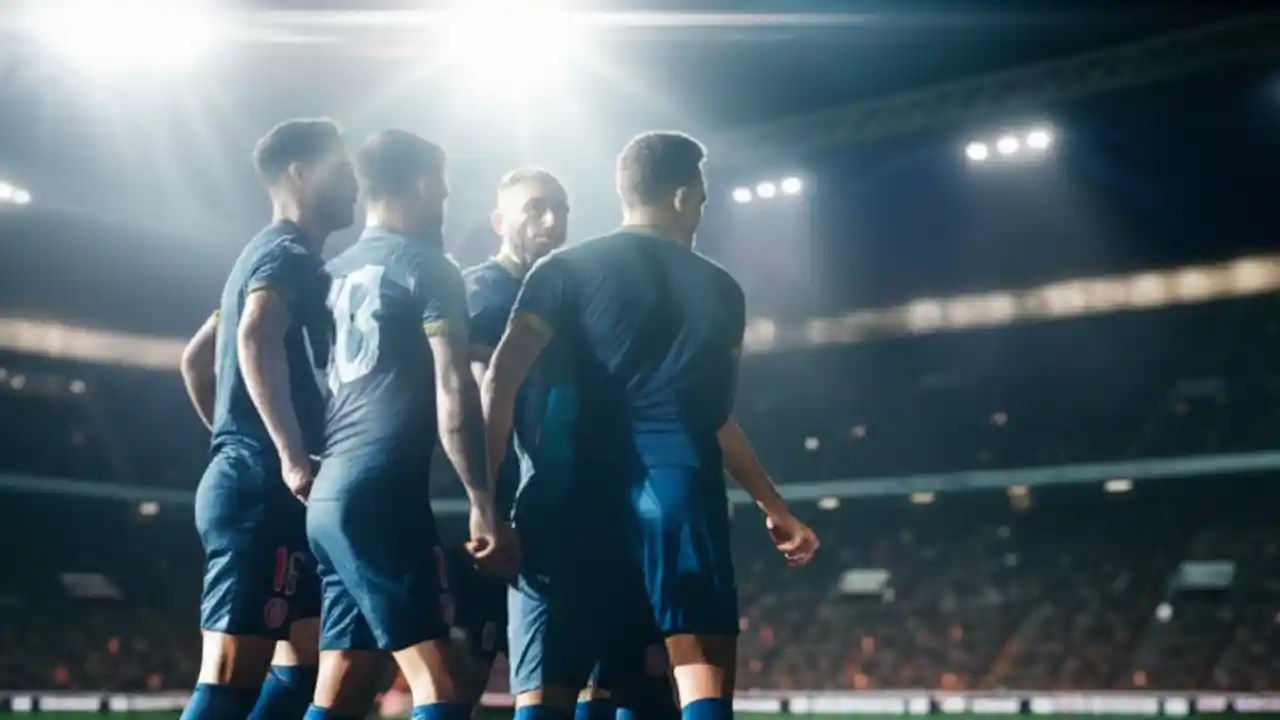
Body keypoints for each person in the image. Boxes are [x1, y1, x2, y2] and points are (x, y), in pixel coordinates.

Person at [481, 131, 819, 720]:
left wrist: (484, 500)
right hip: (677, 496)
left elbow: (499, 381)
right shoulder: (721, 290)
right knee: (697, 680)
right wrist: (774, 506)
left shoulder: (561, 271)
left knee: (550, 688)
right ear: (685, 196)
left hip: (566, 499)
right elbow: (713, 416)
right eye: (703, 199)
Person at [303, 129, 517, 720]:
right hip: (382, 495)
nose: (445, 206)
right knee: (441, 685)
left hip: (329, 496)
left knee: (344, 681)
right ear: (423, 186)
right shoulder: (429, 266)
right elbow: (454, 389)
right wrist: (482, 500)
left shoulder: (334, 270)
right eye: (444, 195)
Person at [461, 168, 678, 720]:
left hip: (593, 507)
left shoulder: (575, 292)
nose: (551, 221)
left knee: (618, 679)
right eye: (534, 208)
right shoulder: (486, 290)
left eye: (560, 208)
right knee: (473, 680)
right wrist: (484, 504)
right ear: (499, 219)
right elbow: (486, 386)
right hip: (518, 513)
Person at [178, 118, 357, 720]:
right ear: (301, 175)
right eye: (342, 169)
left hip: (259, 483)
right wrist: (281, 454)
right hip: (263, 488)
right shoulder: (287, 255)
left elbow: (197, 360)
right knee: (231, 672)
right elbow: (254, 335)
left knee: (304, 662)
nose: (355, 182)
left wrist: (234, 439)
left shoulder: (258, 257)